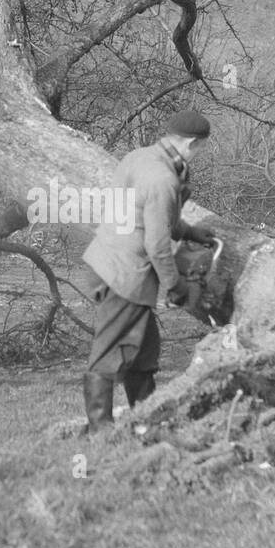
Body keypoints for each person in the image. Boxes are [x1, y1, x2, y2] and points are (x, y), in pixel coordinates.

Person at [79, 109, 217, 432]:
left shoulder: (139, 158)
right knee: (110, 350)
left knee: (144, 351)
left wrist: (188, 232)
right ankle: (99, 429)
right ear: (192, 143)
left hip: (108, 261)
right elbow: (156, 244)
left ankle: (148, 417)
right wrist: (176, 286)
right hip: (126, 275)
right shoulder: (163, 178)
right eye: (201, 148)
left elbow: (148, 214)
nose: (199, 154)